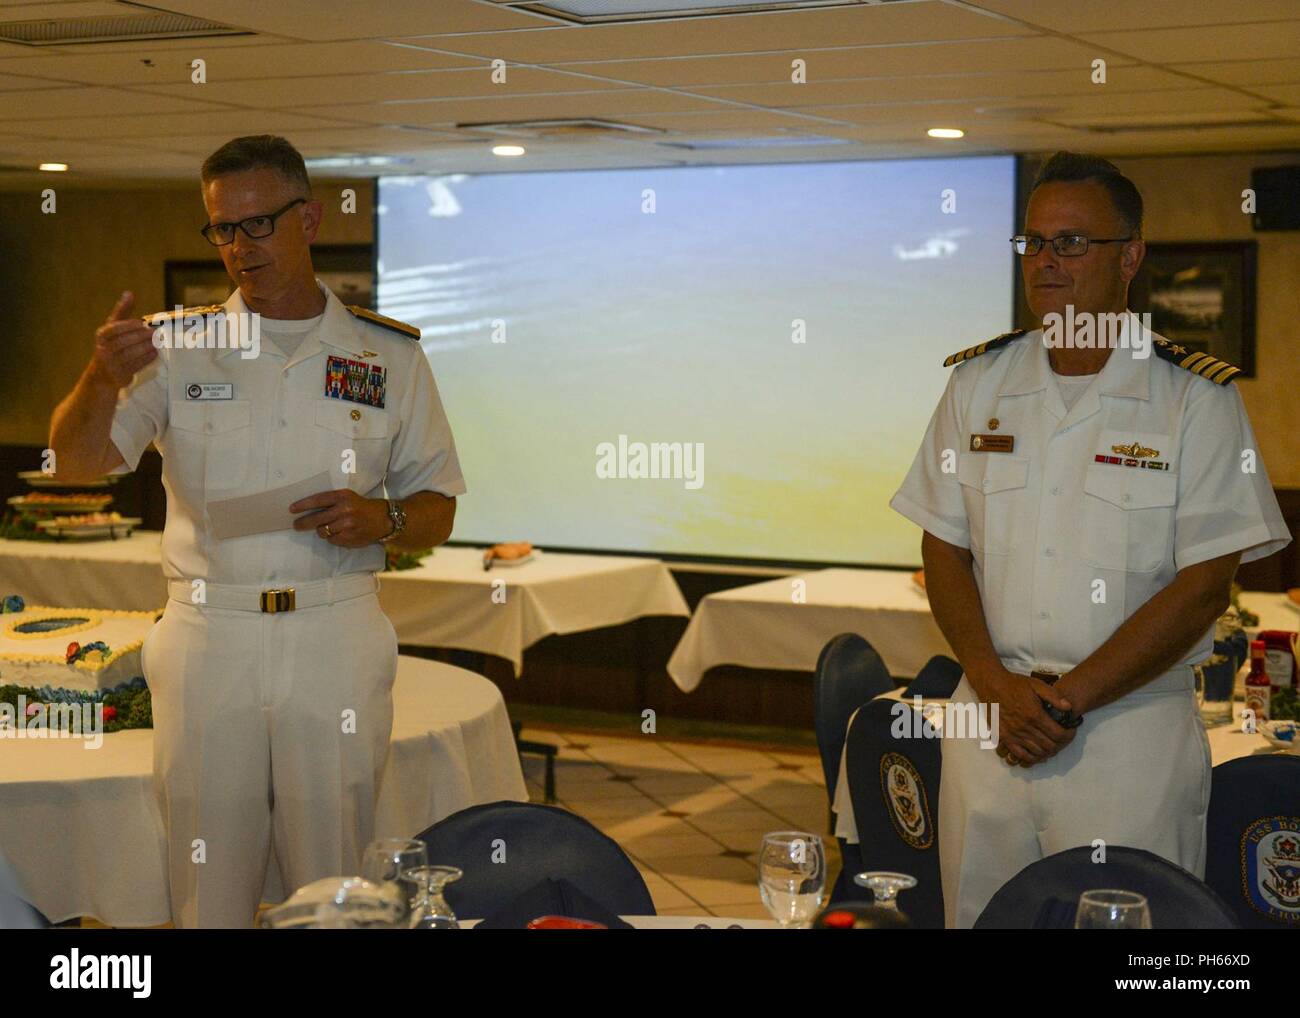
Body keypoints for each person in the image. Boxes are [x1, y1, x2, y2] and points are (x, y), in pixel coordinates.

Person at [48, 135, 466, 928]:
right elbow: (75, 463)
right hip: (211, 633)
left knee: (336, 880)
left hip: (333, 630)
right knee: (206, 879)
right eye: (222, 229)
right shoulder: (175, 348)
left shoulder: (387, 356)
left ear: (309, 219)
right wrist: (99, 377)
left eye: (259, 224)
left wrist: (383, 519)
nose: (240, 248)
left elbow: (438, 504)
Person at [892, 151, 1291, 928]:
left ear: (1130, 257)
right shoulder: (978, 385)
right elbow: (943, 547)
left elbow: (1205, 584)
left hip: (1126, 740)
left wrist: (1065, 704)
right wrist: (996, 685)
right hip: (992, 724)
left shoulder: (1191, 400)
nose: (1046, 262)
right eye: (1034, 243)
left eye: (1071, 243)